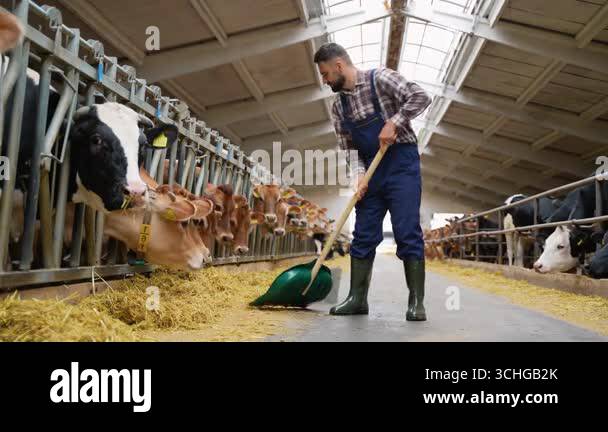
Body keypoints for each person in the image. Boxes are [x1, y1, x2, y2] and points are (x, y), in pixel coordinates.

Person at [314, 43, 432, 321]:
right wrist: (358, 176)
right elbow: (350, 149)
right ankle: (357, 299)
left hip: (402, 167)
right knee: (364, 234)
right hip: (370, 173)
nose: (325, 80)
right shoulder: (338, 107)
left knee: (406, 231)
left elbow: (421, 96)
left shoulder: (381, 79)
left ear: (339, 66)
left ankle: (416, 302)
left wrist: (395, 122)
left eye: (325, 73)